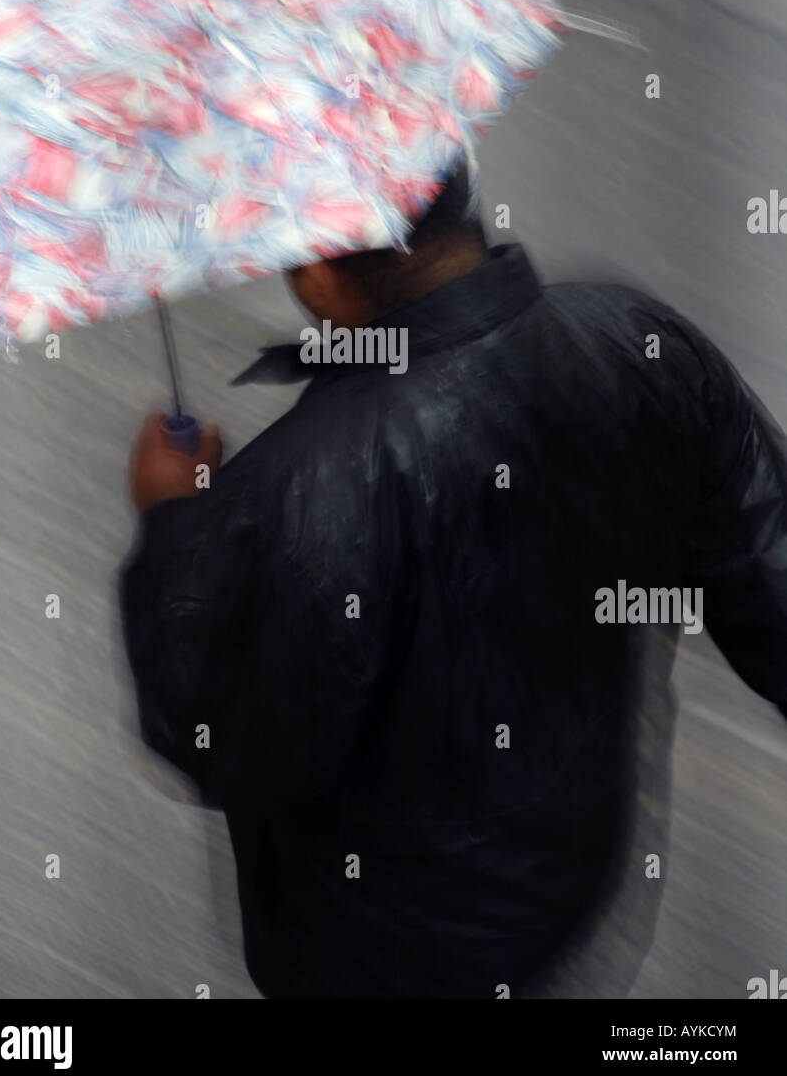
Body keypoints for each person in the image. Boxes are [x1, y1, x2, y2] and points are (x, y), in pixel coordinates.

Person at [120, 159, 787, 999]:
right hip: (584, 892)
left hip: (382, 962)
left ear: (322, 274)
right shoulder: (634, 339)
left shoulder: (299, 493)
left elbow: (214, 738)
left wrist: (175, 522)